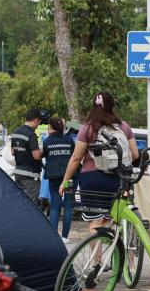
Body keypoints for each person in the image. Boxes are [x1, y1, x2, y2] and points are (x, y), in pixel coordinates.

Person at [59, 90, 139, 232]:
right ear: (112, 106)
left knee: (94, 222)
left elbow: (76, 158)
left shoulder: (87, 128)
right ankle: (113, 249)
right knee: (111, 218)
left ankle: (97, 255)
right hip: (116, 179)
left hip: (91, 179)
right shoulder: (123, 127)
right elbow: (135, 154)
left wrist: (65, 181)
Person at [42, 117, 75, 242]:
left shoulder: (47, 141)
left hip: (54, 176)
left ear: (51, 128)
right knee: (68, 206)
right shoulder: (69, 140)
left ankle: (54, 236)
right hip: (69, 176)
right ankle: (65, 236)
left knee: (55, 205)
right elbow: (74, 156)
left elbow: (44, 155)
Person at [10, 108, 43, 202]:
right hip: (30, 176)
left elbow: (12, 152)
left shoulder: (15, 132)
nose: (37, 126)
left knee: (20, 203)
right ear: (36, 120)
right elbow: (36, 156)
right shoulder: (31, 135)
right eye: (38, 123)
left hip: (18, 174)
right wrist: (44, 153)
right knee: (30, 206)